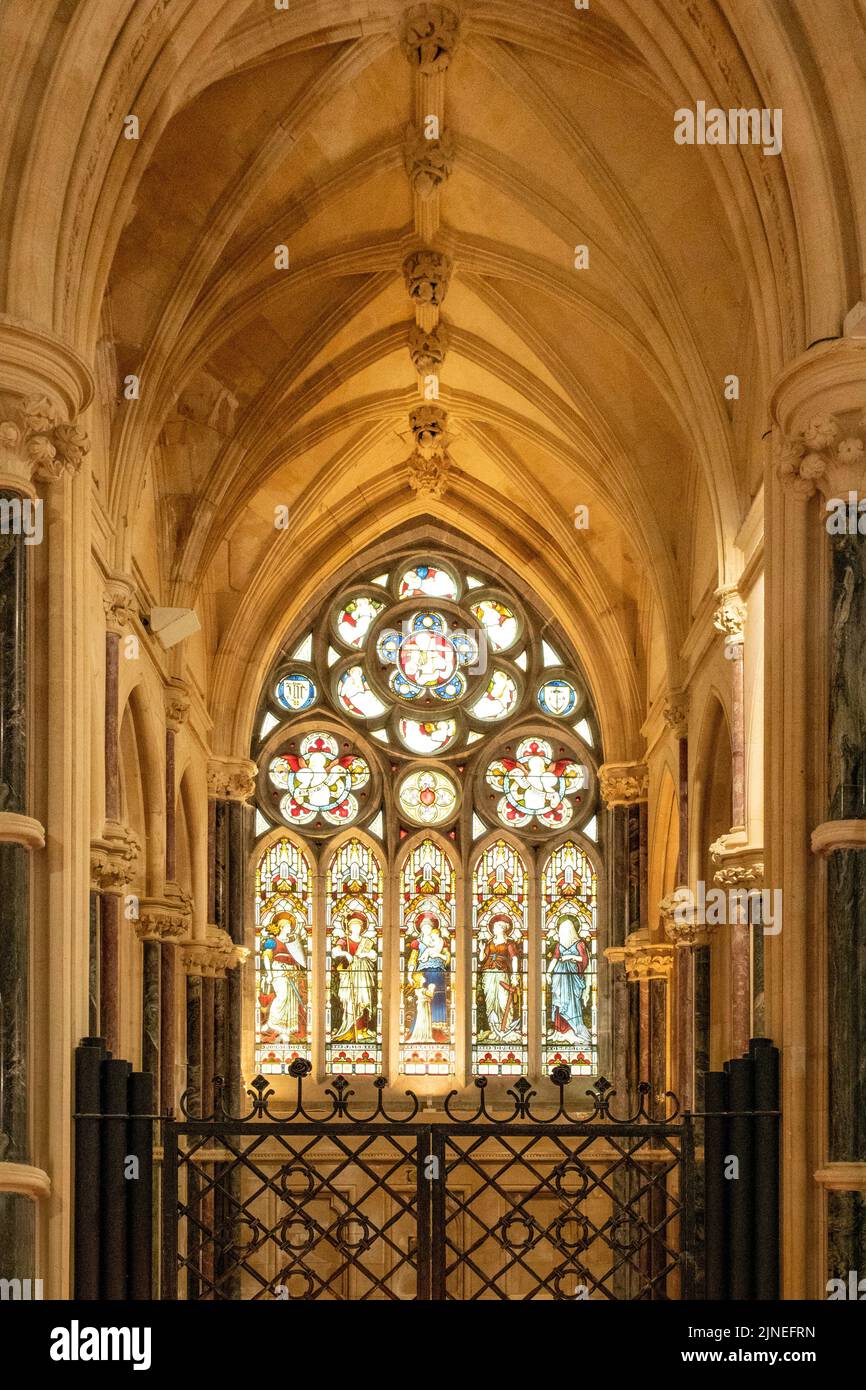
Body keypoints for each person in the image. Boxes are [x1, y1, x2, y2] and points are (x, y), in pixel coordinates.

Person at [260, 913, 308, 1043]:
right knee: (282, 996)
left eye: (290, 926)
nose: (289, 928)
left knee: (291, 1000)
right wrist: (269, 973)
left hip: (291, 972)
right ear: (281, 927)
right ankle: (272, 1024)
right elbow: (266, 956)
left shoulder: (292, 943)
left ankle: (287, 1029)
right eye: (287, 926)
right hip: (279, 970)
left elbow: (299, 959)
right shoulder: (272, 941)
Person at [331, 911, 378, 1041]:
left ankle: (362, 1030)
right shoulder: (344, 940)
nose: (356, 928)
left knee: (363, 1001)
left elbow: (374, 956)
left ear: (362, 928)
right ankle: (349, 1030)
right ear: (349, 927)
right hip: (349, 974)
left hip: (363, 974)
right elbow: (335, 952)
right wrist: (346, 954)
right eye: (353, 926)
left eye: (359, 926)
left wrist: (365, 955)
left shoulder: (366, 942)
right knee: (349, 1000)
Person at [405, 912, 450, 1043]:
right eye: (424, 927)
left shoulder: (439, 942)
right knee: (422, 1000)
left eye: (429, 927)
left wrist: (439, 956)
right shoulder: (417, 943)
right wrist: (409, 974)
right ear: (420, 929)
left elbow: (447, 959)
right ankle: (418, 1030)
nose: (426, 929)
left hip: (437, 972)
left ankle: (437, 1032)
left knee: (438, 997)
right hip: (422, 974)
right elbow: (413, 959)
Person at [546, 916, 591, 1044]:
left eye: (562, 930)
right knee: (559, 1001)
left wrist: (570, 956)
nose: (560, 933)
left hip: (572, 978)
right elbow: (555, 959)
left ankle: (572, 1030)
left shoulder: (579, 944)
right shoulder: (559, 945)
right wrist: (548, 973)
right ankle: (559, 1031)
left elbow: (584, 960)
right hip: (559, 978)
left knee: (570, 1003)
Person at [477, 914, 521, 1039]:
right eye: (494, 927)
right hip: (489, 974)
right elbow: (482, 959)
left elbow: (514, 958)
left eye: (497, 927)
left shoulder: (509, 943)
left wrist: (515, 975)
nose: (494, 929)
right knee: (490, 1000)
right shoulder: (490, 942)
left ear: (503, 928)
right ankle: (493, 1028)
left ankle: (505, 1027)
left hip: (502, 974)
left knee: (503, 1000)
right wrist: (481, 950)